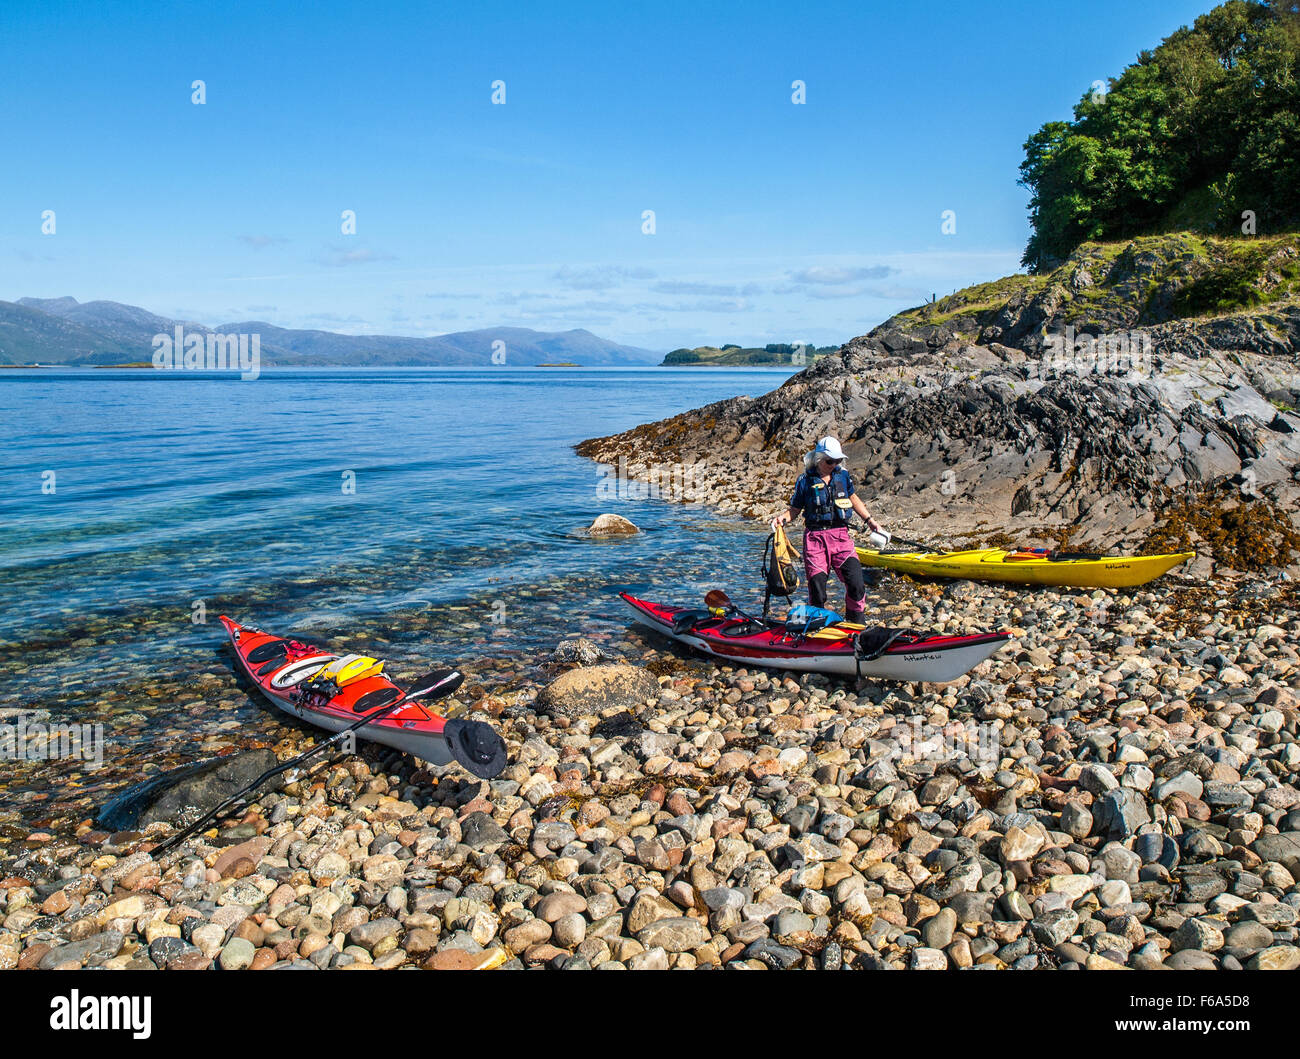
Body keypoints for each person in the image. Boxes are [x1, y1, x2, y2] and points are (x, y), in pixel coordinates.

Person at [772, 436, 882, 623]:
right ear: (818, 458)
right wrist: (783, 518)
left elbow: (853, 498)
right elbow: (795, 509)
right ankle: (818, 627)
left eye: (838, 460)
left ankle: (856, 624)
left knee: (856, 583)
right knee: (817, 588)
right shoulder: (805, 480)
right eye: (830, 461)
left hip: (841, 537)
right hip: (815, 539)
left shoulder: (843, 476)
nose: (834, 464)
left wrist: (870, 520)